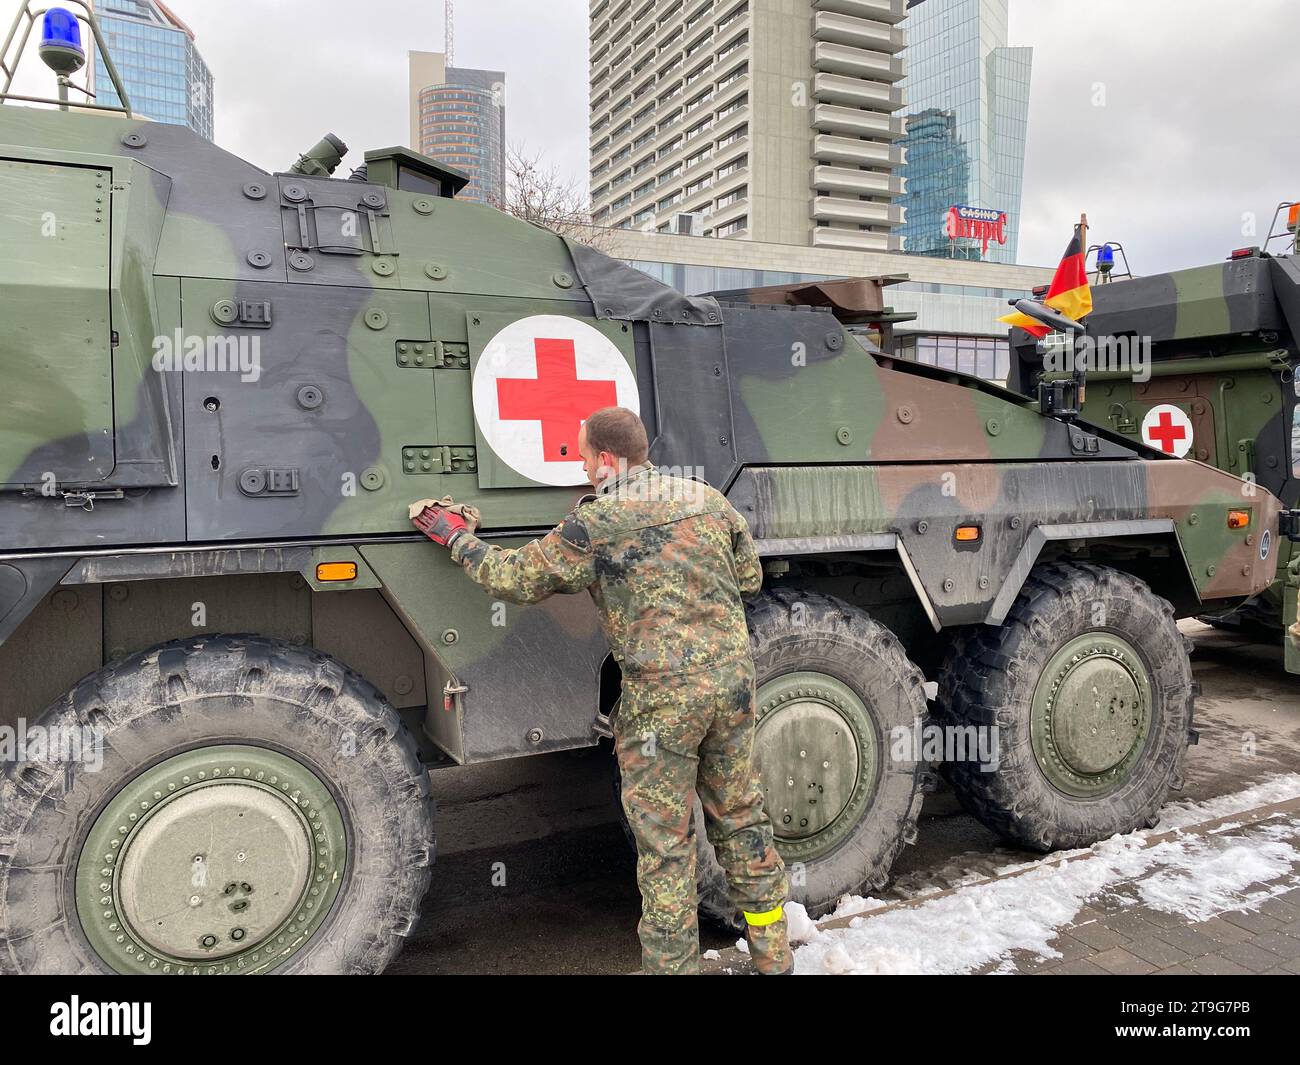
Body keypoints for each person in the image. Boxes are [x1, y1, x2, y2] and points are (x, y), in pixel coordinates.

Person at [410, 406, 791, 975]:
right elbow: (749, 579)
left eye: (584, 456)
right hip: (732, 685)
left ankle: (671, 969)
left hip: (662, 702)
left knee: (665, 847)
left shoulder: (598, 520)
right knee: (741, 818)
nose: (583, 467)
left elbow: (514, 579)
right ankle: (774, 953)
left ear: (608, 460)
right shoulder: (707, 499)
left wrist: (456, 538)